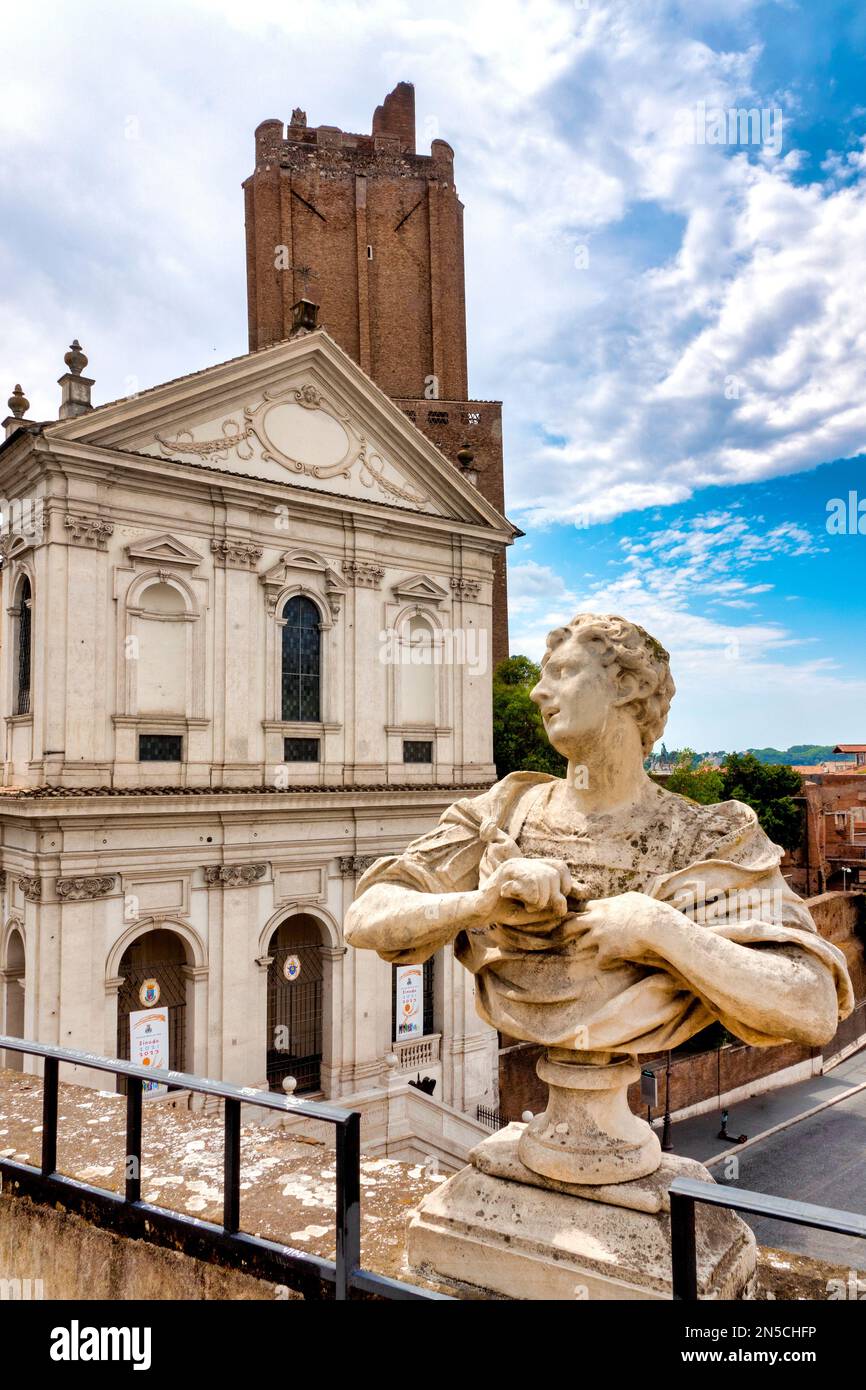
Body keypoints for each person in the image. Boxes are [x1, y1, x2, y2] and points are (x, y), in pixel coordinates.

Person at [345, 614, 852, 1055]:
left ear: (627, 687)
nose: (537, 692)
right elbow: (366, 917)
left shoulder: (712, 836)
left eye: (562, 674)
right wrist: (482, 904)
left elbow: (811, 1008)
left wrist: (662, 931)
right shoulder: (502, 812)